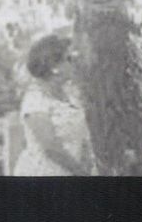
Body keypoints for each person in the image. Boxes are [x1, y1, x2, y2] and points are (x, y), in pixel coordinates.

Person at [13, 31, 95, 176]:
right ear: (54, 66)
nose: (75, 63)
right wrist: (81, 173)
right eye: (69, 59)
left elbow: (82, 137)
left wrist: (87, 161)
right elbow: (51, 148)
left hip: (73, 170)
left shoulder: (71, 96)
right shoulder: (35, 100)